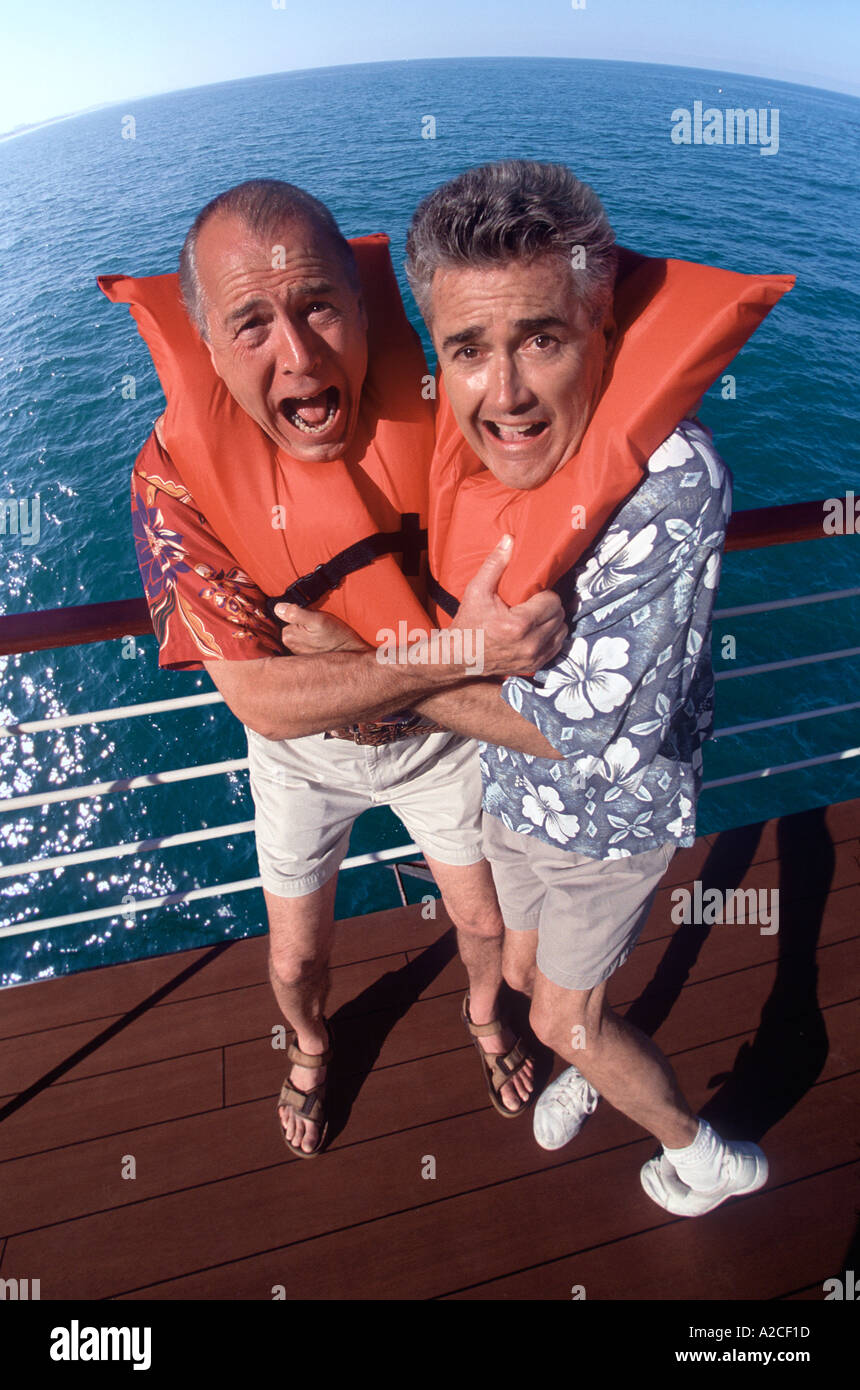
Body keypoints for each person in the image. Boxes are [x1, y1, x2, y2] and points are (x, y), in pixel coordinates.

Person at [289, 160, 770, 1215]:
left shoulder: (671, 482)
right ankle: (586, 1049)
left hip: (608, 815)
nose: (501, 393)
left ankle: (699, 1154)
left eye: (538, 339)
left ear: (600, 326)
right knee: (514, 973)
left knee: (561, 1021)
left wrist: (365, 676)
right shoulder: (474, 456)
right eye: (468, 349)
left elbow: (581, 732)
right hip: (510, 792)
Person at [126, 179, 572, 1158]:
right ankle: (312, 1047)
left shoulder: (467, 415)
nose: (297, 354)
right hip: (304, 763)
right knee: (292, 956)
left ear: (368, 304)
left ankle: (483, 1017)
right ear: (205, 349)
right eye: (250, 323)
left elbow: (552, 684)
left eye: (319, 304)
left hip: (441, 747)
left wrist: (362, 658)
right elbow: (259, 698)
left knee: (484, 923)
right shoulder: (169, 483)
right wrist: (452, 658)